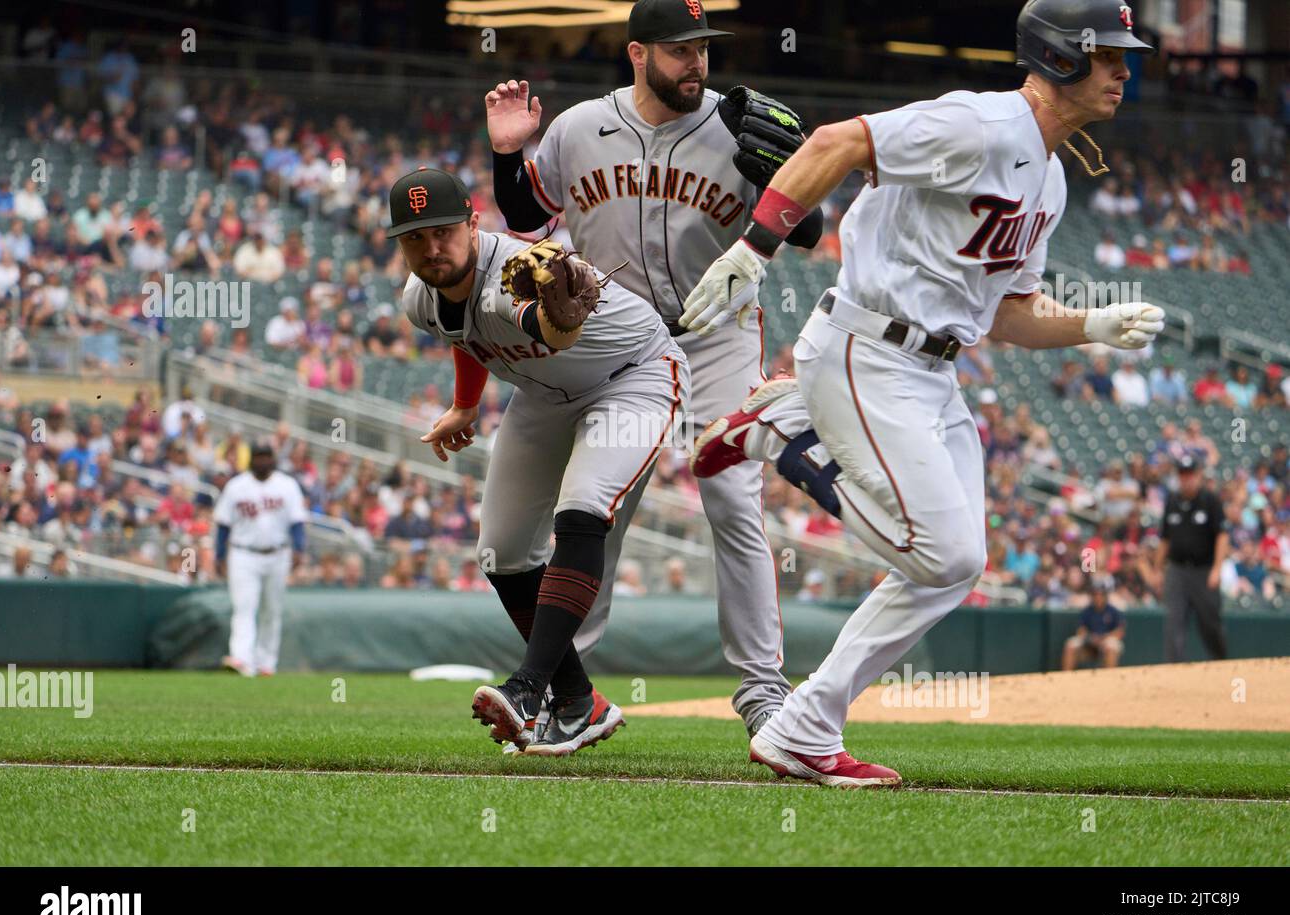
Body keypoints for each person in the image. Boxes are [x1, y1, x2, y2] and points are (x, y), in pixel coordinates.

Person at [683, 0, 1161, 787]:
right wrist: (754, 248)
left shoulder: (1049, 176)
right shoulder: (980, 124)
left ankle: (803, 728)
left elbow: (1007, 314)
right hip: (866, 347)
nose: (1123, 71)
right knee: (945, 553)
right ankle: (784, 429)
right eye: (1109, 55)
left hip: (933, 371)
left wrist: (1092, 326)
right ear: (1062, 56)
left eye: (1123, 56)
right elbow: (835, 143)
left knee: (955, 567)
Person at [485, 0, 817, 738]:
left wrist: (789, 169)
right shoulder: (579, 127)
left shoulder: (736, 124)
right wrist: (508, 155)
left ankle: (764, 692)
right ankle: (569, 690)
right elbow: (527, 218)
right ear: (637, 53)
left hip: (718, 335)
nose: (696, 62)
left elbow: (808, 229)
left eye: (703, 48)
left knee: (732, 497)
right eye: (679, 49)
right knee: (597, 508)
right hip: (616, 343)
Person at [391, 168, 689, 756]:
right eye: (415, 237)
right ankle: (580, 703)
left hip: (635, 374)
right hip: (546, 393)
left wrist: (555, 314)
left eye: (444, 231)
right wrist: (465, 404)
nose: (432, 248)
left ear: (473, 223)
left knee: (582, 510)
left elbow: (551, 331)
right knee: (500, 552)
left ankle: (529, 689)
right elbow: (465, 334)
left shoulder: (511, 276)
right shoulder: (418, 298)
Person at [213, 443, 308, 677]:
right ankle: (241, 659)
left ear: (273, 459)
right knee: (244, 607)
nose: (262, 461)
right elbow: (223, 524)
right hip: (243, 553)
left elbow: (297, 521)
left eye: (266, 456)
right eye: (258, 456)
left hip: (278, 553)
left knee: (272, 610)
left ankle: (266, 663)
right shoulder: (236, 486)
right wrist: (219, 555)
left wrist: (299, 549)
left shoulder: (287, 485)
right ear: (251, 459)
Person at [1157, 455, 1228, 661]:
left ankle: (1220, 663)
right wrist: (1157, 569)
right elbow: (1165, 539)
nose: (1186, 479)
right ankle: (1175, 669)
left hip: (1203, 571)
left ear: (1198, 475)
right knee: (1174, 622)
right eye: (1182, 475)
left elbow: (1222, 536)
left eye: (1190, 474)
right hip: (1177, 570)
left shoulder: (1210, 500)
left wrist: (1217, 569)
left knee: (1210, 624)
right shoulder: (1172, 501)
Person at [1061, 578, 1125, 669]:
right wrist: (1090, 638)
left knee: (1111, 646)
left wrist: (1103, 638)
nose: (1098, 597)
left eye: (1101, 594)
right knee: (1071, 644)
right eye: (1095, 594)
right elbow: (1080, 630)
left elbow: (1119, 632)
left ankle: (1109, 676)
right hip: (1089, 642)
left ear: (1105, 596)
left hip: (1106, 641)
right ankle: (1067, 675)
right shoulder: (1087, 611)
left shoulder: (1113, 611)